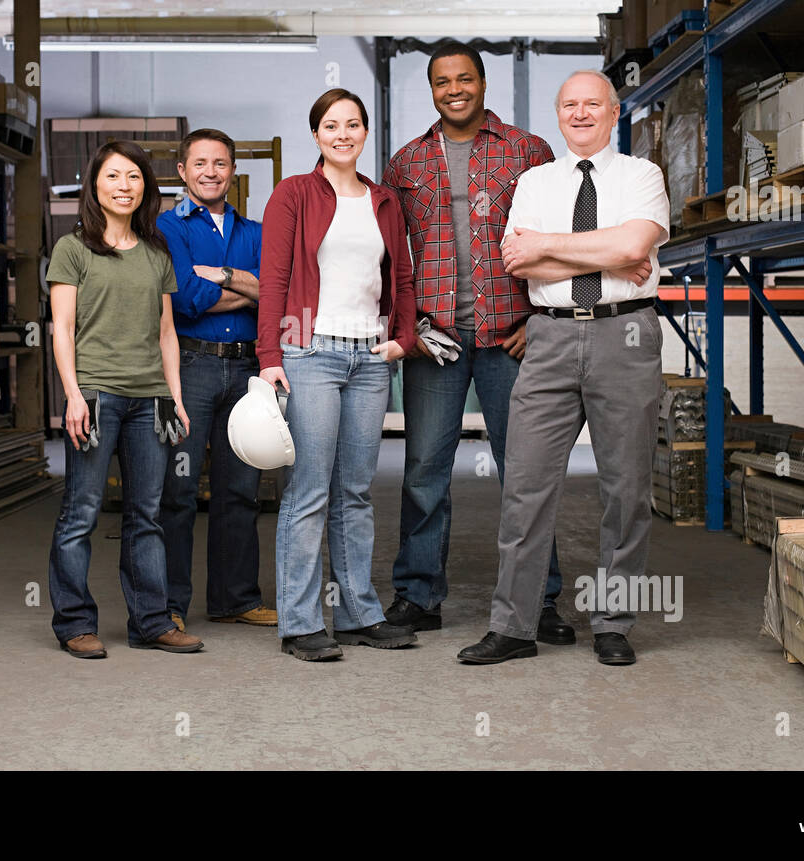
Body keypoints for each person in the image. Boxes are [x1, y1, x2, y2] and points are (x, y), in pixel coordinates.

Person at [458, 69, 667, 666]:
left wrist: (555, 245)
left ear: (613, 110)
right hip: (546, 340)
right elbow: (517, 262)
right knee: (524, 485)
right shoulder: (533, 181)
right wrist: (599, 248)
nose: (580, 113)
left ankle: (613, 624)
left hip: (625, 333)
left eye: (592, 104)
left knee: (625, 488)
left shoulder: (642, 176)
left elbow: (632, 252)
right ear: (559, 113)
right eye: (569, 104)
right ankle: (514, 625)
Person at [383, 40, 573, 644]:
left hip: (510, 339)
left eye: (464, 79)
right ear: (432, 89)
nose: (454, 90)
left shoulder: (528, 151)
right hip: (435, 341)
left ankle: (536, 600)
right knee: (423, 472)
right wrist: (406, 327)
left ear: (483, 83)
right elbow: (392, 257)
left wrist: (540, 321)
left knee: (526, 472)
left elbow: (561, 241)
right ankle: (418, 596)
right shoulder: (407, 162)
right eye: (442, 82)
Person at [258, 88, 419, 661]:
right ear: (316, 134)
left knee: (355, 491)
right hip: (310, 352)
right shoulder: (293, 194)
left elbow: (400, 275)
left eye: (353, 124)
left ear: (365, 132)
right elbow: (274, 278)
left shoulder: (384, 200)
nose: (343, 133)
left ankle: (357, 613)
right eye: (331, 125)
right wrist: (270, 355)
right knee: (308, 490)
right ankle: (301, 624)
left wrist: (404, 337)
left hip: (370, 358)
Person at [46, 140, 203, 658]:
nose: (124, 186)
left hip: (149, 401)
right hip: (94, 396)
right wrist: (72, 396)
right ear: (95, 185)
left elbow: (166, 335)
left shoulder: (157, 253)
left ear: (146, 187)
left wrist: (176, 398)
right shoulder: (73, 249)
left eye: (134, 177)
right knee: (82, 512)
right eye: (113, 176)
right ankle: (75, 625)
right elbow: (62, 329)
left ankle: (152, 622)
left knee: (147, 514)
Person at [156, 129, 277, 631]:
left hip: (247, 370)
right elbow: (184, 298)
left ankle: (236, 598)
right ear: (183, 171)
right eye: (200, 163)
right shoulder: (168, 227)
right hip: (193, 367)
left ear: (233, 172)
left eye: (221, 163)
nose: (211, 172)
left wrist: (222, 276)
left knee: (240, 489)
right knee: (179, 489)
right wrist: (250, 286)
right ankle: (169, 606)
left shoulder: (256, 231)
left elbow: (278, 291)